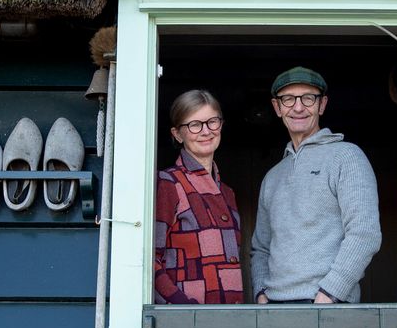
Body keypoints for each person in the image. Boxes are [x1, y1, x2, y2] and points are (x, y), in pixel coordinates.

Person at [251, 67, 381, 304]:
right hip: (273, 307)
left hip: (327, 304)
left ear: (321, 105)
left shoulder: (347, 157)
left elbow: (365, 234)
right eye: (288, 99)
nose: (298, 107)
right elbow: (260, 247)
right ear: (277, 107)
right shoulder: (272, 176)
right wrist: (260, 292)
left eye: (308, 98)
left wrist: (330, 293)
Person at [154, 90, 244, 304]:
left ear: (220, 125)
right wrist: (181, 307)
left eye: (212, 122)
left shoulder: (228, 193)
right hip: (185, 322)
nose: (205, 131)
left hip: (230, 320)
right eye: (194, 125)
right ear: (177, 134)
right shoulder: (168, 183)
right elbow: (150, 259)